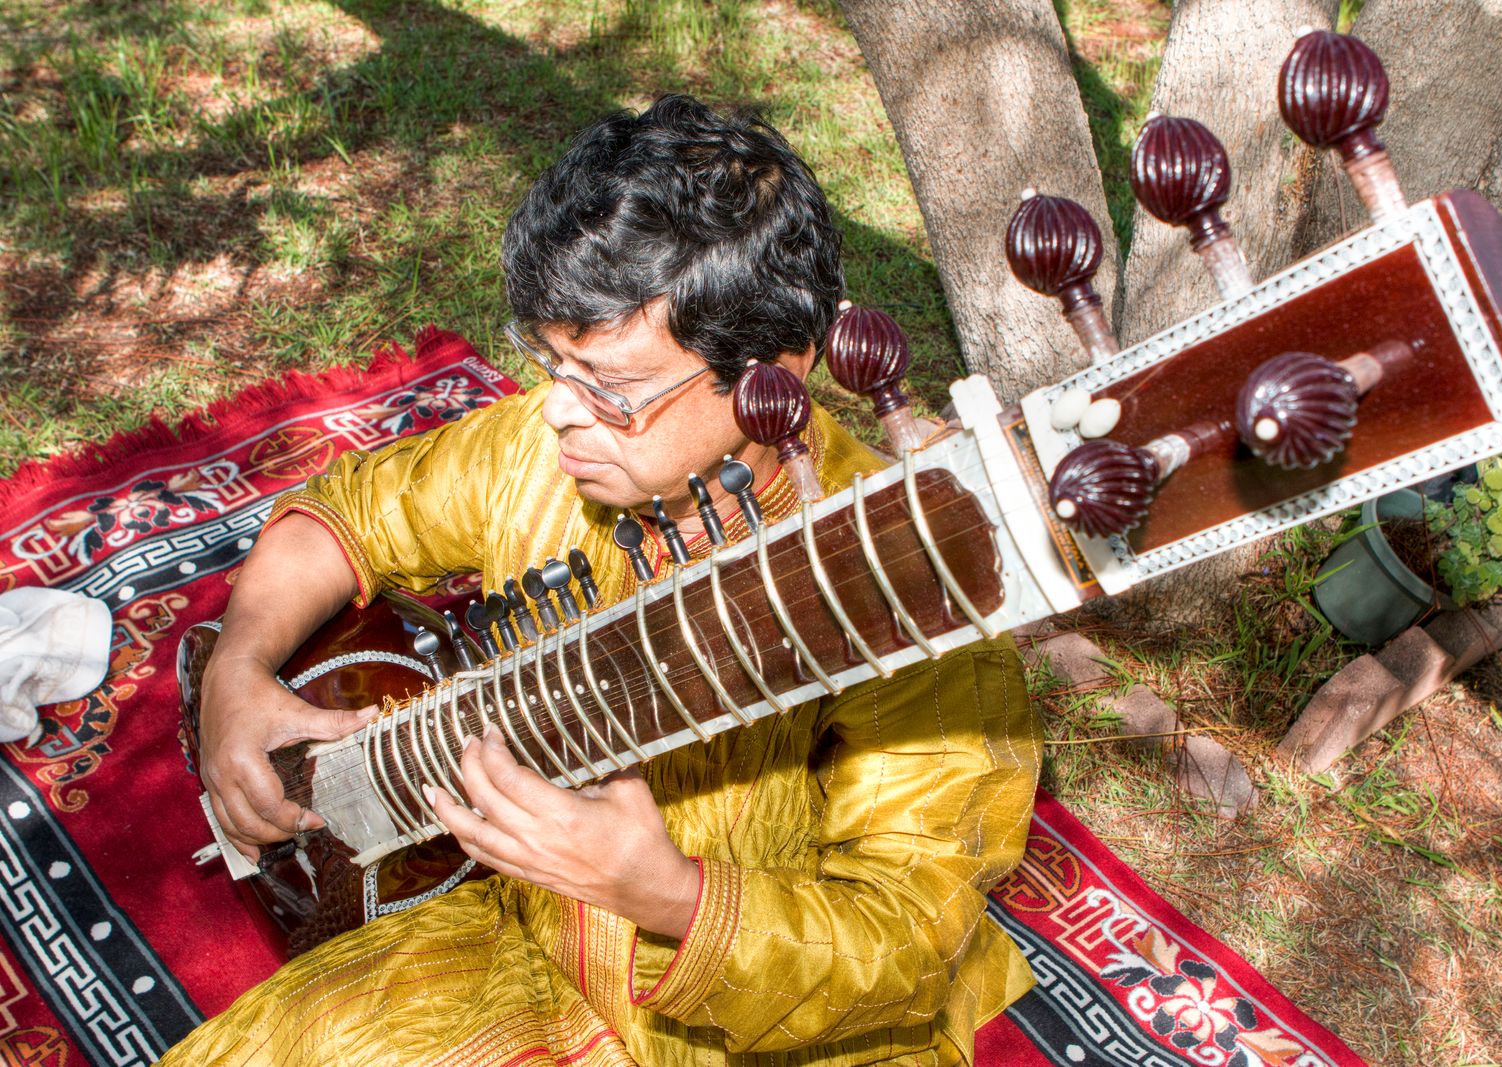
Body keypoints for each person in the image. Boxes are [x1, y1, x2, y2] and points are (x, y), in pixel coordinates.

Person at [163, 95, 1042, 1067]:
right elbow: (349, 511)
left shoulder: (906, 590)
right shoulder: (550, 450)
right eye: (550, 362)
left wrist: (665, 893)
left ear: (776, 369)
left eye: (612, 387)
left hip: (780, 1026)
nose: (559, 416)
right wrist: (235, 674)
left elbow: (907, 938)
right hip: (525, 938)